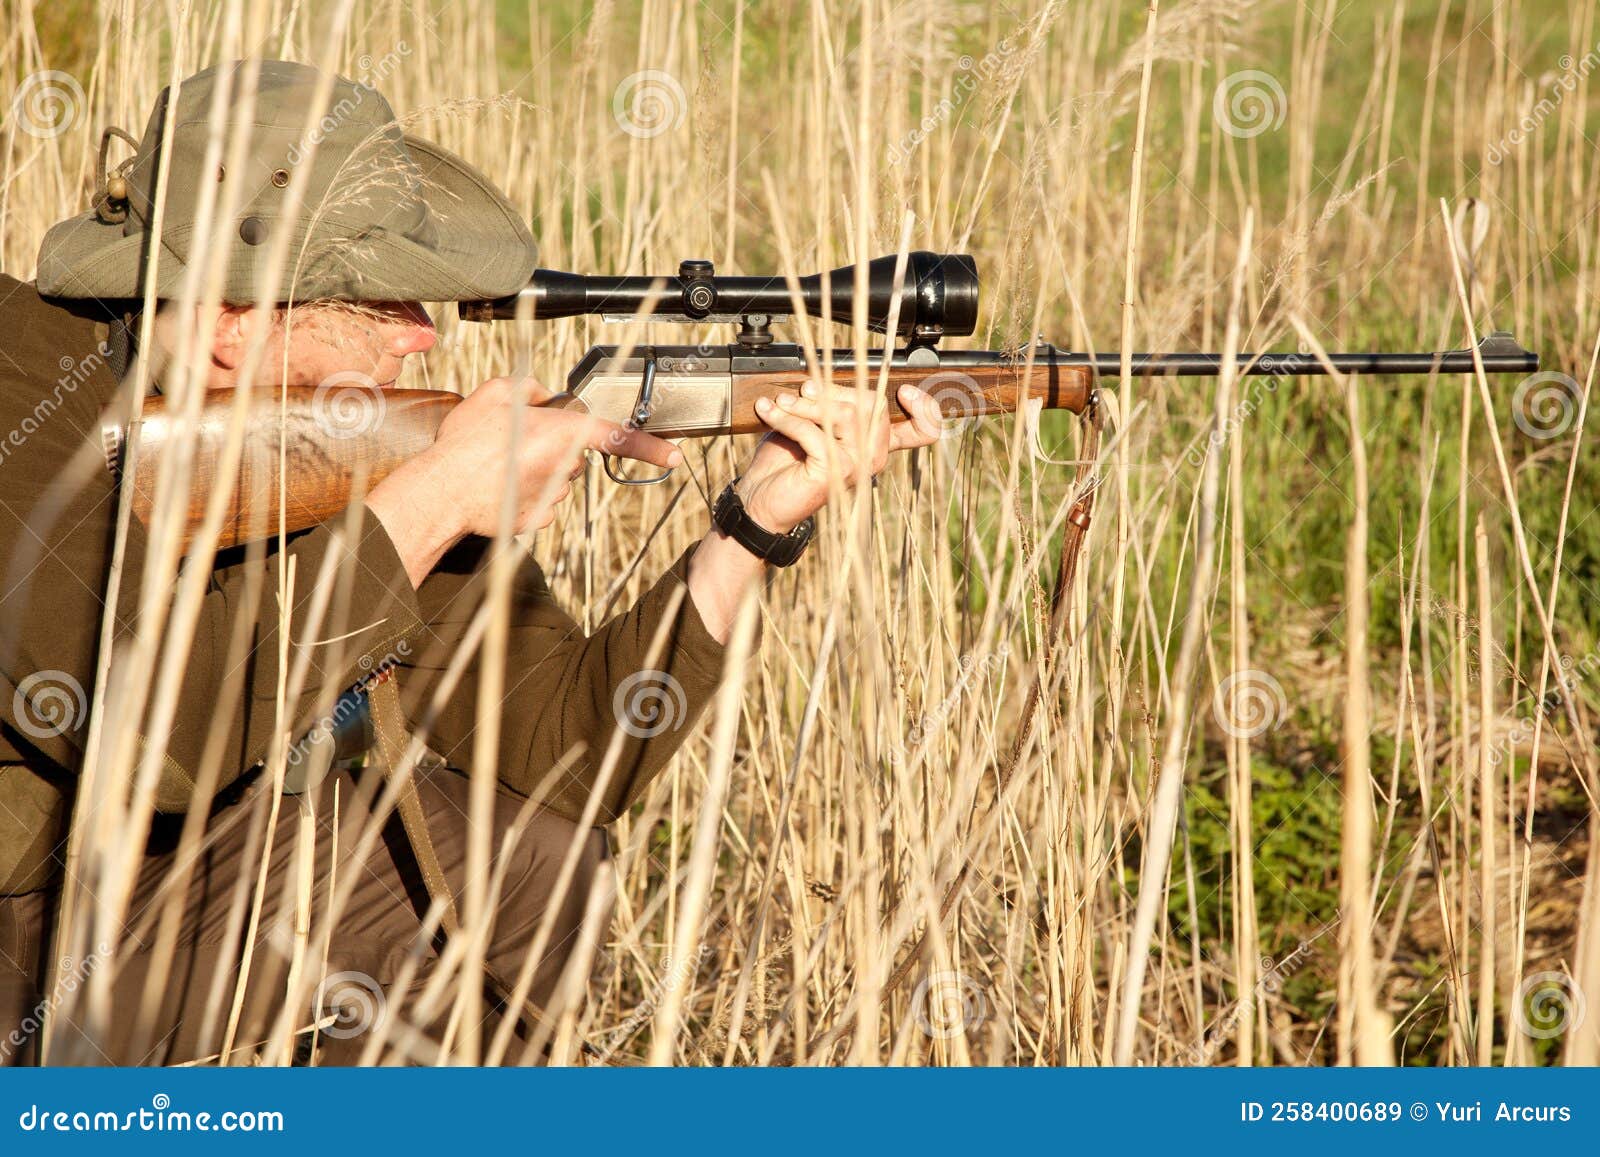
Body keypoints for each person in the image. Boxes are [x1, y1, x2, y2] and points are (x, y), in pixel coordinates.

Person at [0, 59, 943, 1064]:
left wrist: (750, 527)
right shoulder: (25, 400)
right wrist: (439, 495)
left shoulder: (327, 439)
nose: (420, 334)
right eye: (377, 305)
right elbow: (167, 727)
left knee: (536, 863)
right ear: (232, 323)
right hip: (26, 925)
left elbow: (563, 747)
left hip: (150, 884)